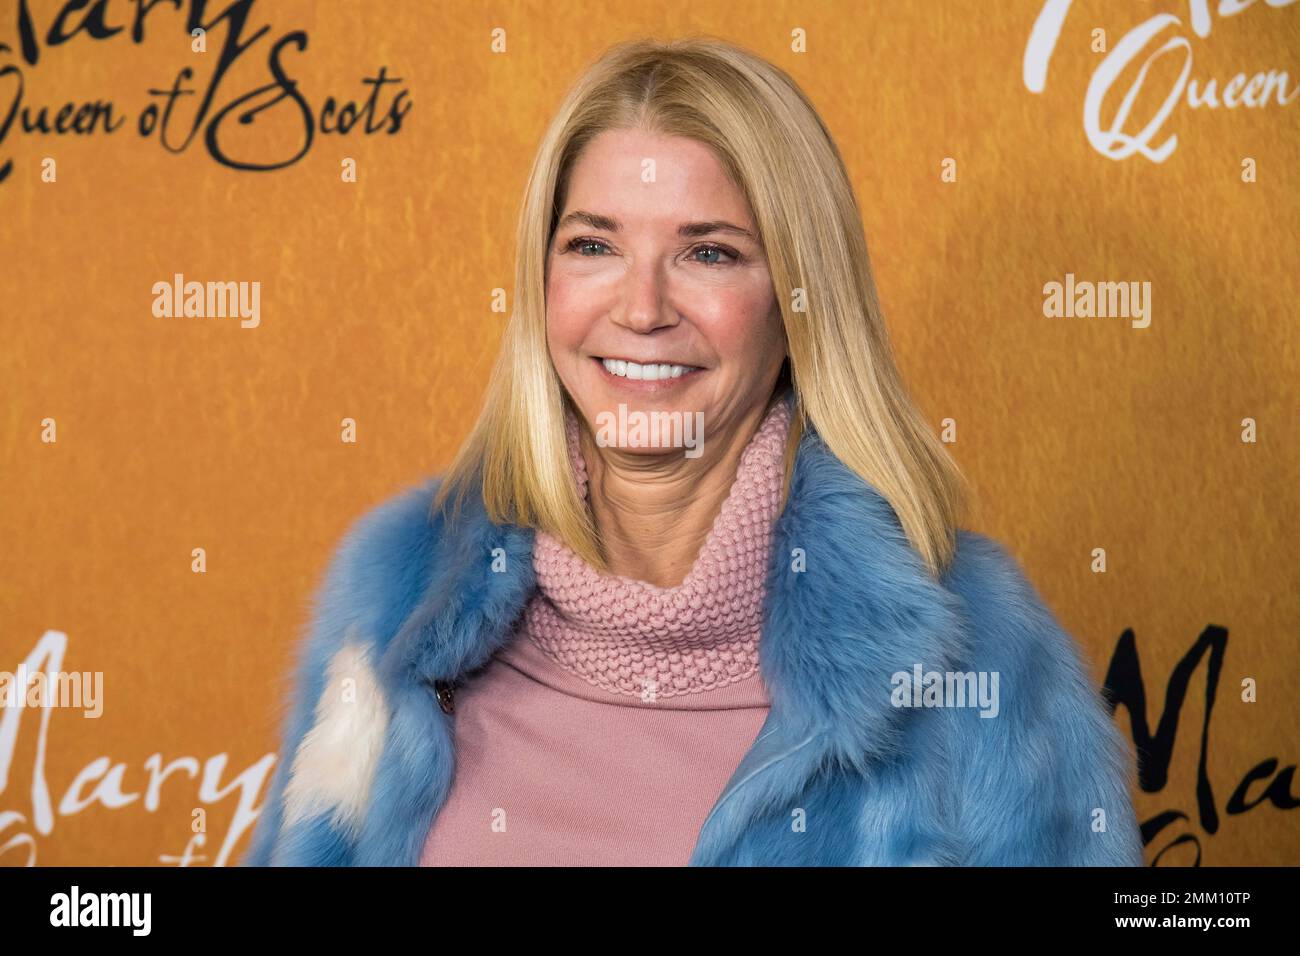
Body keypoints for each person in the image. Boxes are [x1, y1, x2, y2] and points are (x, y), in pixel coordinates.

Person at [242, 35, 1144, 866]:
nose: (642, 310)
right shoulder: (396, 594)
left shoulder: (968, 648)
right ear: (541, 281)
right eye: (593, 244)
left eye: (707, 254)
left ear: (799, 303)